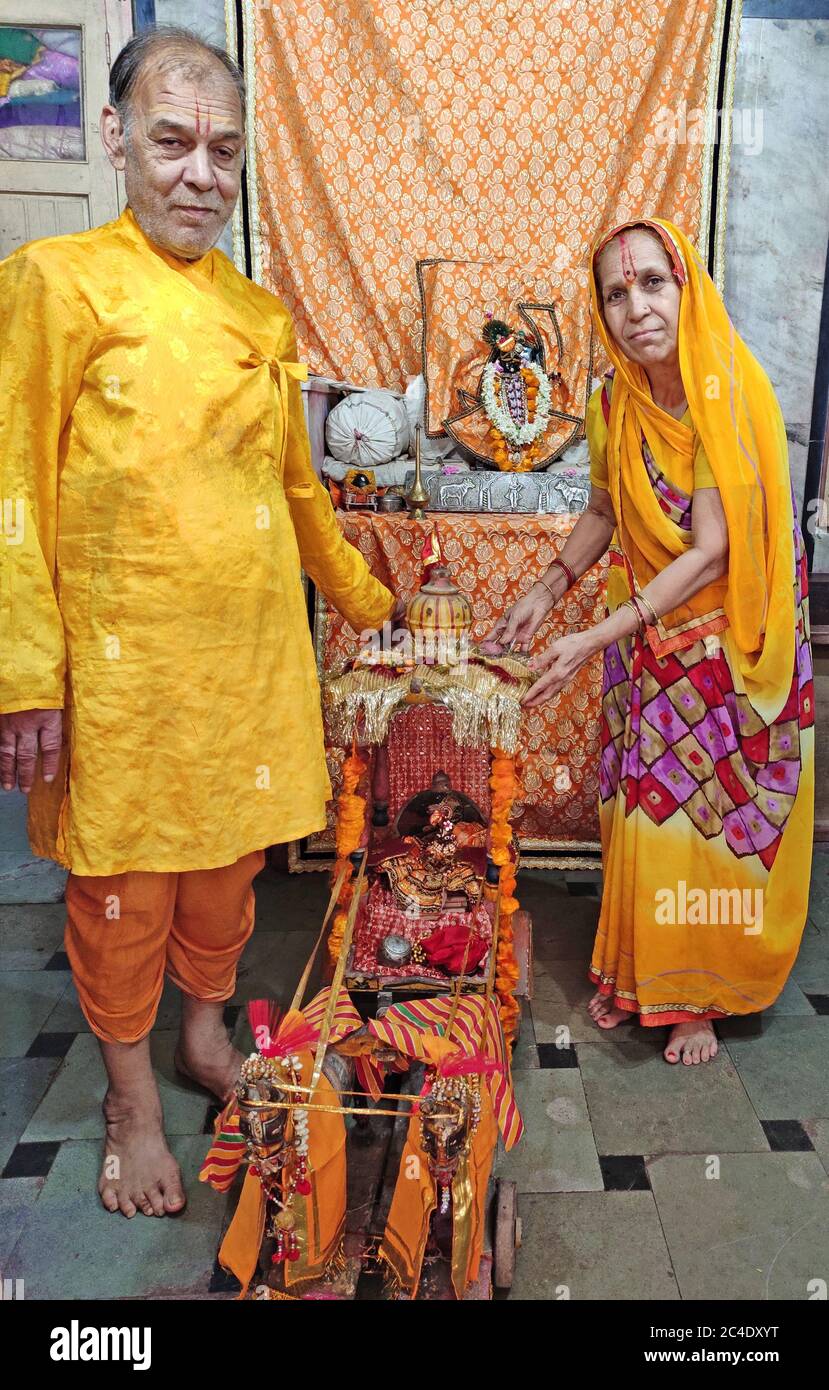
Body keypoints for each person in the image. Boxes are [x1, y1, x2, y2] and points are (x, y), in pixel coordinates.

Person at [0, 27, 396, 1217]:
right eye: (171, 141)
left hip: (249, 667)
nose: (199, 171)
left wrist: (372, 602)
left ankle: (204, 1039)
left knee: (226, 881)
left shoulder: (260, 314)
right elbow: (13, 485)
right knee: (123, 895)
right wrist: (28, 672)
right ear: (115, 138)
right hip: (119, 676)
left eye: (223, 149)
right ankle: (129, 1100)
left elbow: (292, 489)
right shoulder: (57, 281)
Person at [488, 218, 814, 1065]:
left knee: (704, 817)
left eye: (650, 285)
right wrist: (546, 589)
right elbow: (602, 509)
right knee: (642, 805)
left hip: (722, 643)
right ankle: (641, 972)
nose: (635, 308)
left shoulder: (726, 391)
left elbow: (710, 547)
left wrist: (595, 635)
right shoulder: (612, 400)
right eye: (615, 293)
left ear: (683, 285)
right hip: (645, 638)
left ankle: (698, 994)